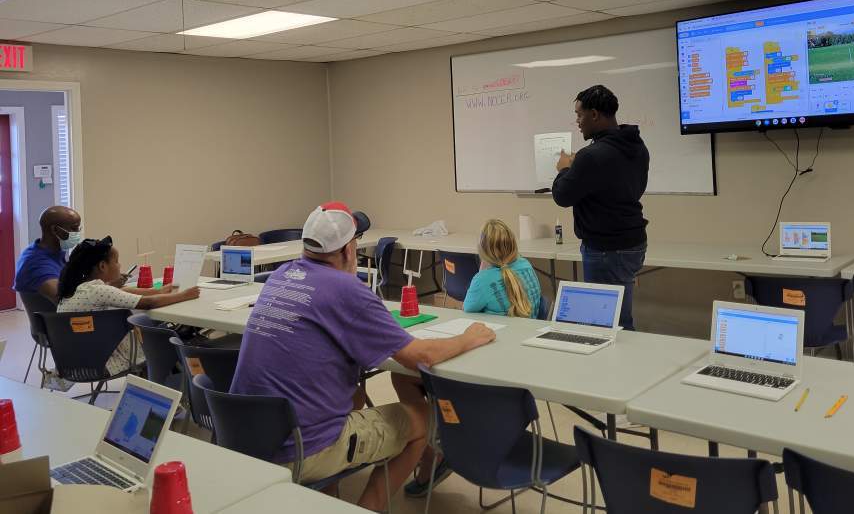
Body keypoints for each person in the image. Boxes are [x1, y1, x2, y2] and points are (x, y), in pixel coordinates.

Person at [231, 202, 496, 512]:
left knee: (355, 394)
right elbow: (419, 356)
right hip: (298, 450)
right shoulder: (346, 288)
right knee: (425, 417)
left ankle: (327, 500)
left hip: (244, 437)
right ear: (348, 250)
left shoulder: (280, 276)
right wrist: (469, 338)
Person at [552, 84, 649, 330]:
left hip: (606, 249)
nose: (578, 121)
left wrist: (564, 167)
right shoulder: (637, 147)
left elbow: (562, 196)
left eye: (579, 115)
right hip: (633, 242)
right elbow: (630, 188)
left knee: (609, 323)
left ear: (594, 114)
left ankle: (622, 366)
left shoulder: (591, 156)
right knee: (620, 314)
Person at [56, 236, 200, 376]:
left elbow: (117, 291)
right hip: (107, 362)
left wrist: (157, 291)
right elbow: (149, 303)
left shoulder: (75, 289)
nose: (119, 265)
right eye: (117, 261)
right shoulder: (98, 291)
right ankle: (169, 385)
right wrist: (185, 295)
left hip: (76, 361)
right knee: (167, 338)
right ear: (102, 266)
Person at [463, 219, 541, 318]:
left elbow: (468, 309)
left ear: (482, 250)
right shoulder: (526, 264)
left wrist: (482, 272)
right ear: (513, 244)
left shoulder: (482, 280)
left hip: (501, 332)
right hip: (532, 329)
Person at [14, 206, 83, 303]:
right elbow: (66, 302)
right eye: (74, 228)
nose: (77, 233)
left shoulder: (52, 253)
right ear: (55, 229)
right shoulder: (36, 264)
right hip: (60, 317)